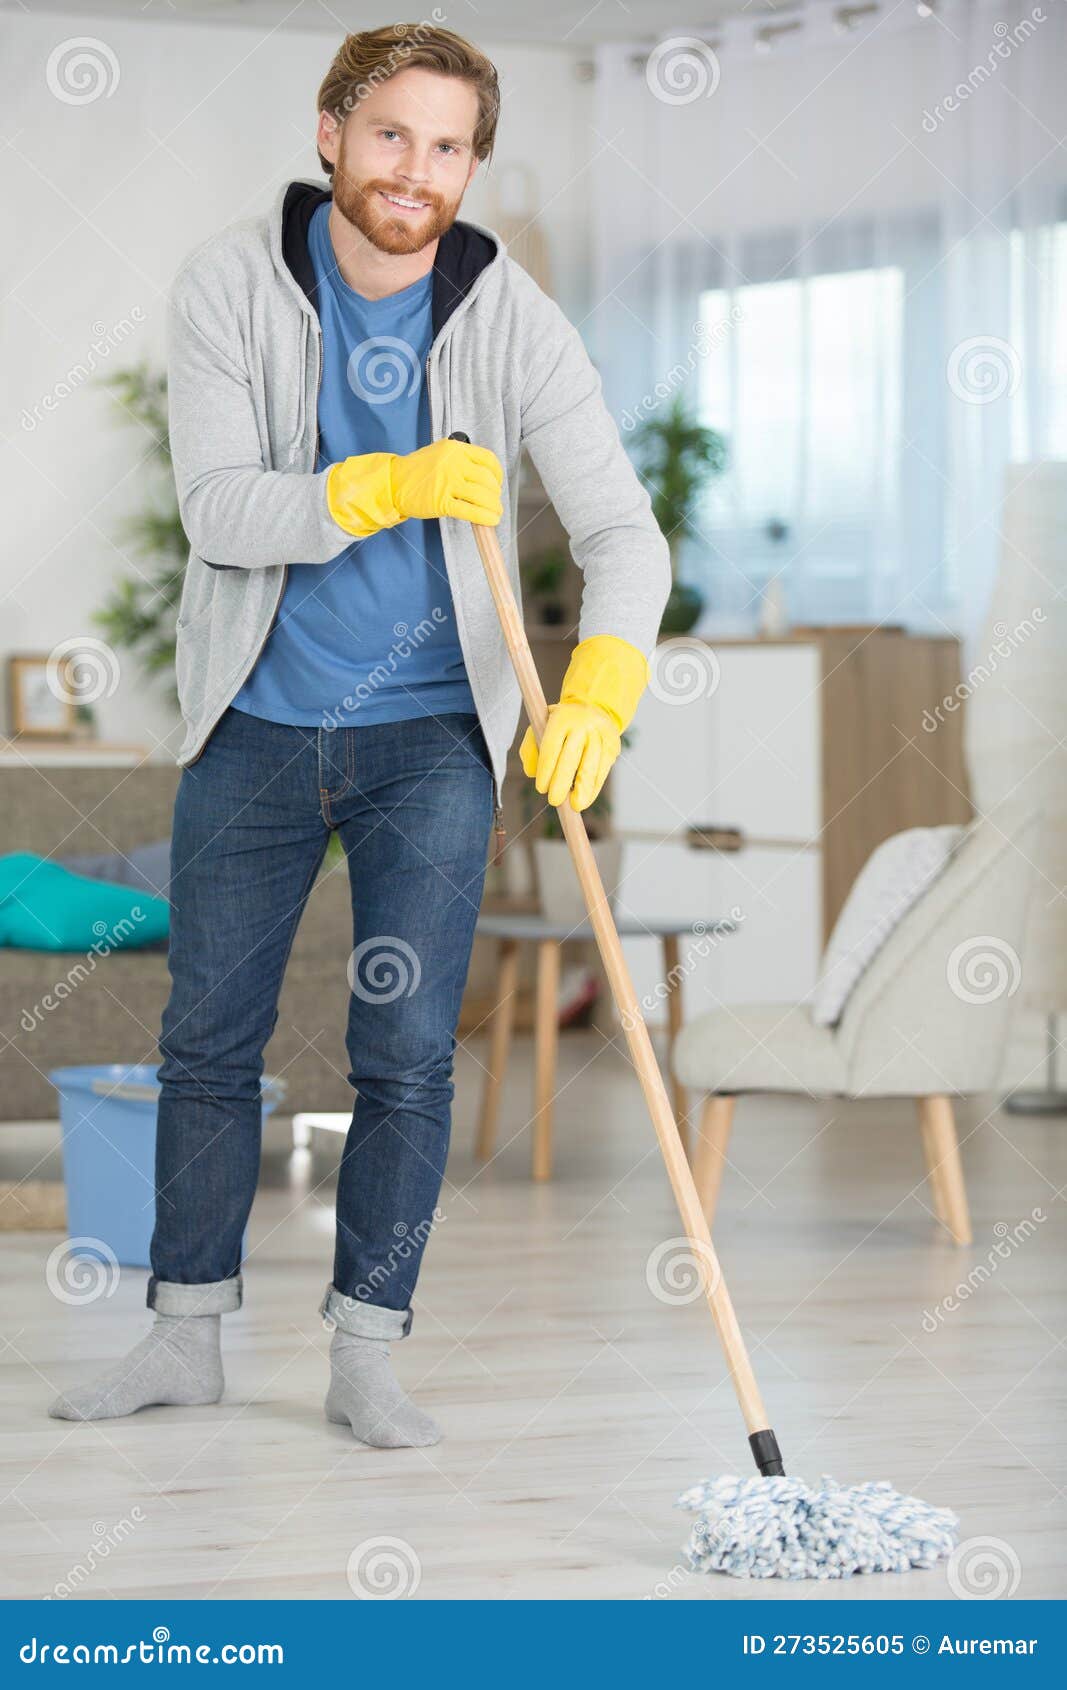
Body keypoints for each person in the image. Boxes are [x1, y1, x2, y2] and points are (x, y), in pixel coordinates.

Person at [49, 23, 669, 1445]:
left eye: (450, 147)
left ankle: (365, 1354)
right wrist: (381, 484)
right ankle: (183, 1335)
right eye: (393, 135)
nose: (420, 171)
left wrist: (604, 690)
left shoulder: (509, 312)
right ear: (331, 132)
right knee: (208, 1037)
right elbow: (220, 508)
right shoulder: (232, 283)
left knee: (405, 1055)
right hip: (256, 720)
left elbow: (625, 536)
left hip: (430, 737)